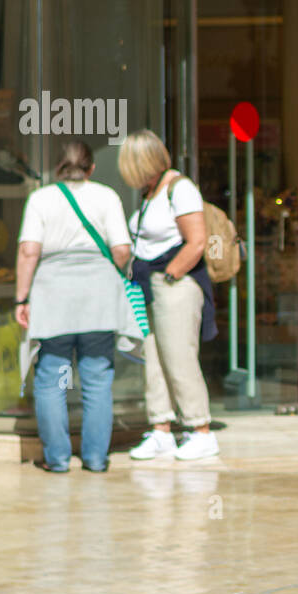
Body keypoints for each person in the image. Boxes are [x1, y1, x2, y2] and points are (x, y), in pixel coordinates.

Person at [15, 140, 140, 472]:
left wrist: (22, 298)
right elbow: (123, 249)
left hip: (53, 297)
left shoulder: (40, 199)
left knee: (52, 378)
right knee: (97, 378)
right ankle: (96, 458)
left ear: (57, 167)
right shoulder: (107, 196)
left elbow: (29, 251)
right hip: (98, 297)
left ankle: (57, 459)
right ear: (91, 168)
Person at [118, 129, 220, 461]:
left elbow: (197, 240)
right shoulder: (151, 192)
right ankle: (161, 428)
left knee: (179, 357)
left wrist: (171, 274)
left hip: (174, 283)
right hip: (151, 284)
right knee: (155, 358)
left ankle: (199, 429)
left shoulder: (181, 188)